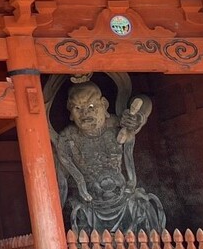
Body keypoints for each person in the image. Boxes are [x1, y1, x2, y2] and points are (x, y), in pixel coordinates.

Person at [53, 81, 167, 235]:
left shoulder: (116, 125)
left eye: (92, 107)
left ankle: (154, 247)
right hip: (91, 203)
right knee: (78, 214)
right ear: (70, 114)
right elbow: (62, 183)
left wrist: (138, 118)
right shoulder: (68, 138)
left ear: (104, 105)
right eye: (78, 108)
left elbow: (144, 101)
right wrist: (54, 218)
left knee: (142, 204)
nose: (85, 113)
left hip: (124, 196)